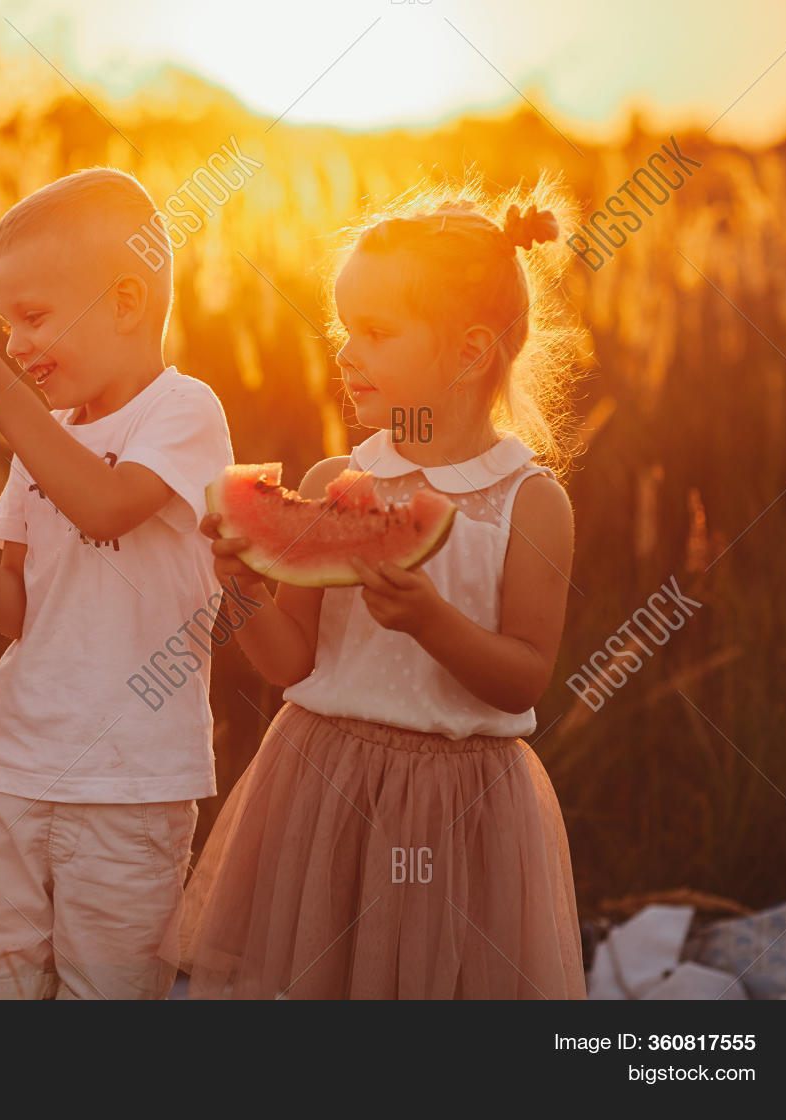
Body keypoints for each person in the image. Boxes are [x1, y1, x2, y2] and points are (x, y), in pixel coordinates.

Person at [179, 188, 589, 999]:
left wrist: (432, 621)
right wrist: (244, 585)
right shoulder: (338, 481)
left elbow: (526, 676)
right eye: (343, 330)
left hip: (460, 807)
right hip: (320, 786)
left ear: (470, 349)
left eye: (376, 332)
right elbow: (290, 666)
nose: (345, 352)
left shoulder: (530, 502)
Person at [0, 168, 234, 998]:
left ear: (128, 303)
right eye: (4, 326)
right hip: (13, 765)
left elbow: (107, 508)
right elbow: (15, 610)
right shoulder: (47, 434)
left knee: (105, 989)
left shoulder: (184, 411)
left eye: (33, 319)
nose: (18, 347)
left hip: (132, 785)